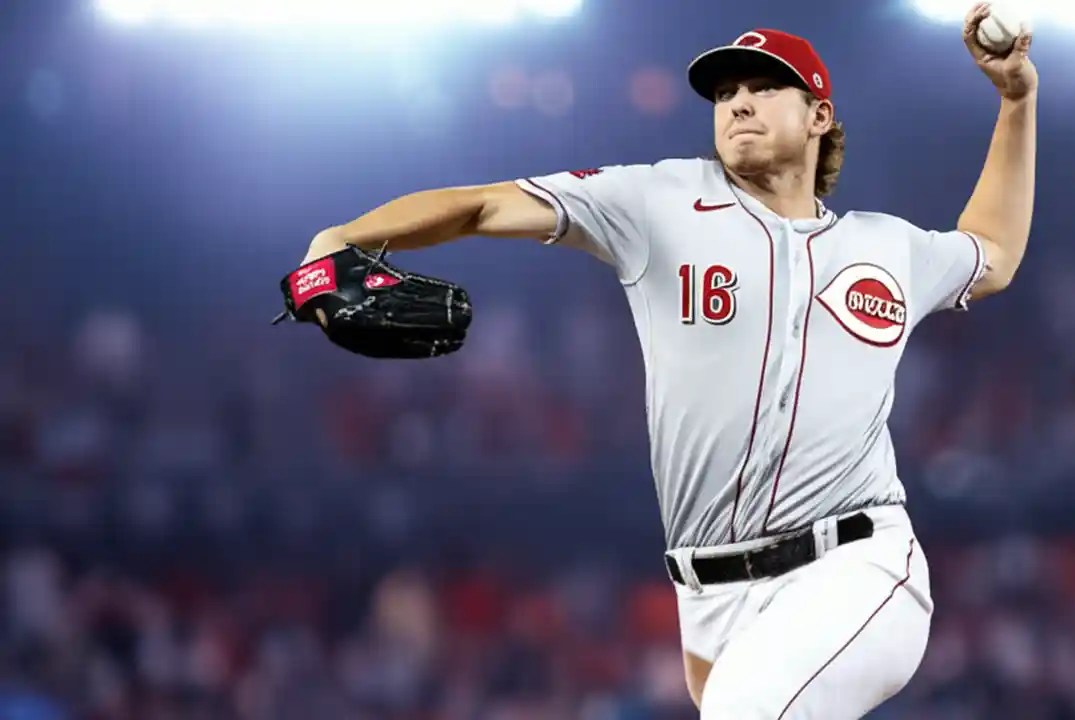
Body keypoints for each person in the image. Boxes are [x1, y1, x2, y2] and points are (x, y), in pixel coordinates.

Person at [300, 3, 1037, 717]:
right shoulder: (658, 200)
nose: (738, 103)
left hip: (858, 565)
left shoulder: (888, 246)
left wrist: (1016, 103)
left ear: (820, 116)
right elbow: (486, 205)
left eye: (763, 85)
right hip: (706, 593)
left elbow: (994, 255)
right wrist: (344, 235)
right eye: (724, 92)